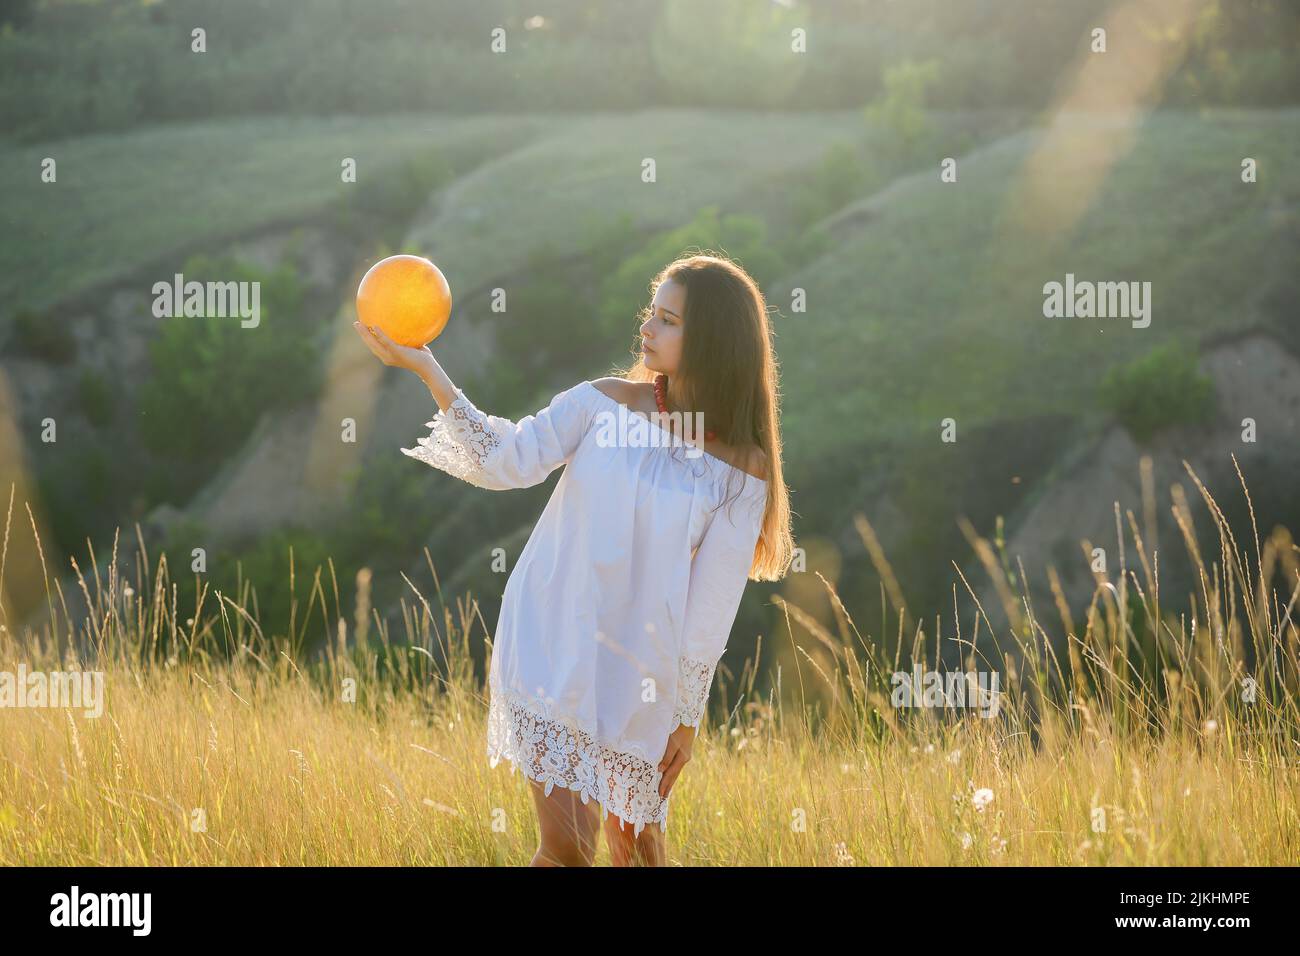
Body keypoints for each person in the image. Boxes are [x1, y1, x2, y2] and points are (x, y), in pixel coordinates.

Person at [354, 253, 794, 865]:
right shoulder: (601, 403)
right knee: (568, 849)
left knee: (639, 850)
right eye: (652, 312)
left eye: (668, 319)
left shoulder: (742, 469)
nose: (647, 327)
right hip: (553, 643)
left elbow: (708, 614)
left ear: (714, 340)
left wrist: (685, 720)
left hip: (642, 679)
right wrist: (429, 370)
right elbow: (504, 458)